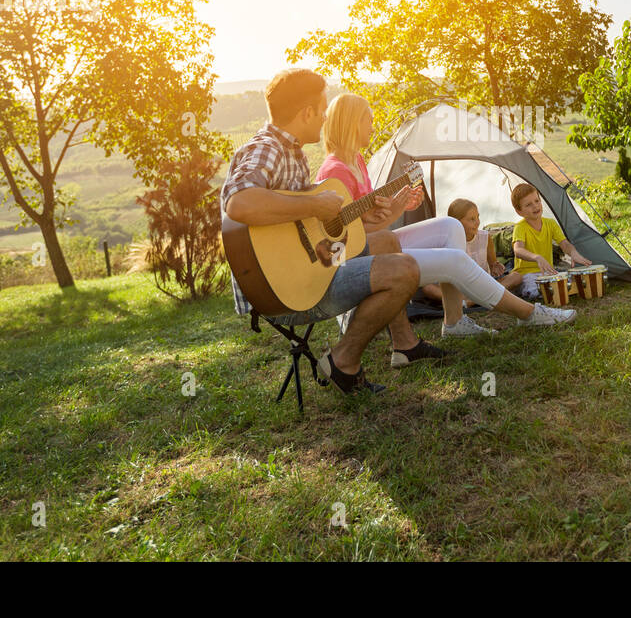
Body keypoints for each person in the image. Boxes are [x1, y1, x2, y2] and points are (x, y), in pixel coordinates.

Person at [221, 69, 429, 396]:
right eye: (321, 111)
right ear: (306, 113)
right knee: (405, 271)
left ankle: (405, 344)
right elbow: (239, 203)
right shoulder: (267, 149)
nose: (323, 119)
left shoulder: (294, 154)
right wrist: (316, 205)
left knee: (387, 241)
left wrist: (365, 217)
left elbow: (309, 233)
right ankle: (343, 362)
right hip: (286, 290)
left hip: (310, 265)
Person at [315, 93, 577, 338]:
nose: (373, 125)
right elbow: (344, 240)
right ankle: (527, 313)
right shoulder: (335, 171)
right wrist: (391, 211)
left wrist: (399, 205)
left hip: (375, 243)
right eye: (368, 120)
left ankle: (454, 321)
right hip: (356, 259)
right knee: (453, 260)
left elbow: (371, 220)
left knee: (451, 226)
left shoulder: (357, 161)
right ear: (352, 123)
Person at [510, 183, 591, 298]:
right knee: (537, 290)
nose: (535, 206)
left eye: (537, 201)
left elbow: (564, 244)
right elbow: (518, 250)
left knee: (572, 282)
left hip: (547, 273)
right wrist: (536, 257)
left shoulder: (550, 224)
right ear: (519, 211)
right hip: (526, 275)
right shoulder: (520, 227)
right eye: (528, 204)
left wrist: (573, 253)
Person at [446, 198, 524, 295]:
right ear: (456, 222)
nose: (477, 222)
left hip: (484, 285)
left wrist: (495, 267)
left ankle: (470, 301)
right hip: (462, 288)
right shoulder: (449, 242)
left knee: (516, 277)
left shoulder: (485, 237)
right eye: (472, 219)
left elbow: (493, 265)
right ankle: (477, 297)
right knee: (429, 288)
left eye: (478, 217)